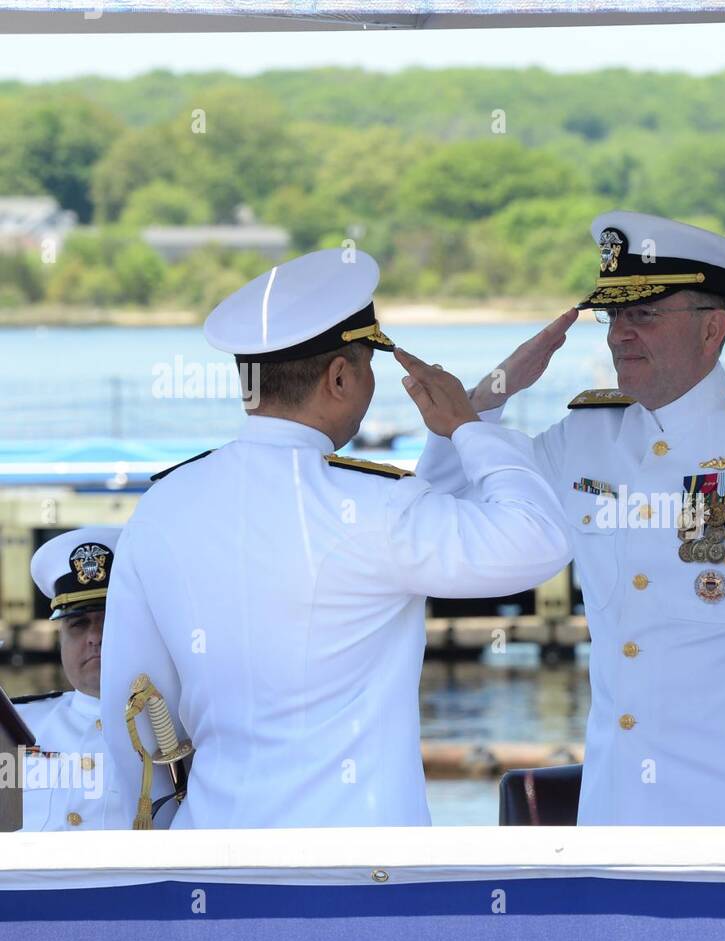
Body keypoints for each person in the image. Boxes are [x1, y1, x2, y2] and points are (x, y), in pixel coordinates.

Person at [410, 211, 725, 824]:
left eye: (644, 315)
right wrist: (491, 393)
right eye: (613, 315)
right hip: (614, 810)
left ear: (713, 329)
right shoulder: (586, 437)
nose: (620, 335)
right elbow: (443, 505)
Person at [99, 248, 570, 829]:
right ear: (340, 377)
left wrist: (481, 407)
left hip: (213, 859)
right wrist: (467, 427)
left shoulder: (162, 506)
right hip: (363, 875)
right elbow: (537, 538)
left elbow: (135, 709)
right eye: (367, 366)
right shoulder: (376, 506)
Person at [16, 527, 126, 830]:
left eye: (111, 619)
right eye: (78, 624)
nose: (95, 637)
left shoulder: (176, 731)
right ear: (59, 640)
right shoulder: (14, 729)